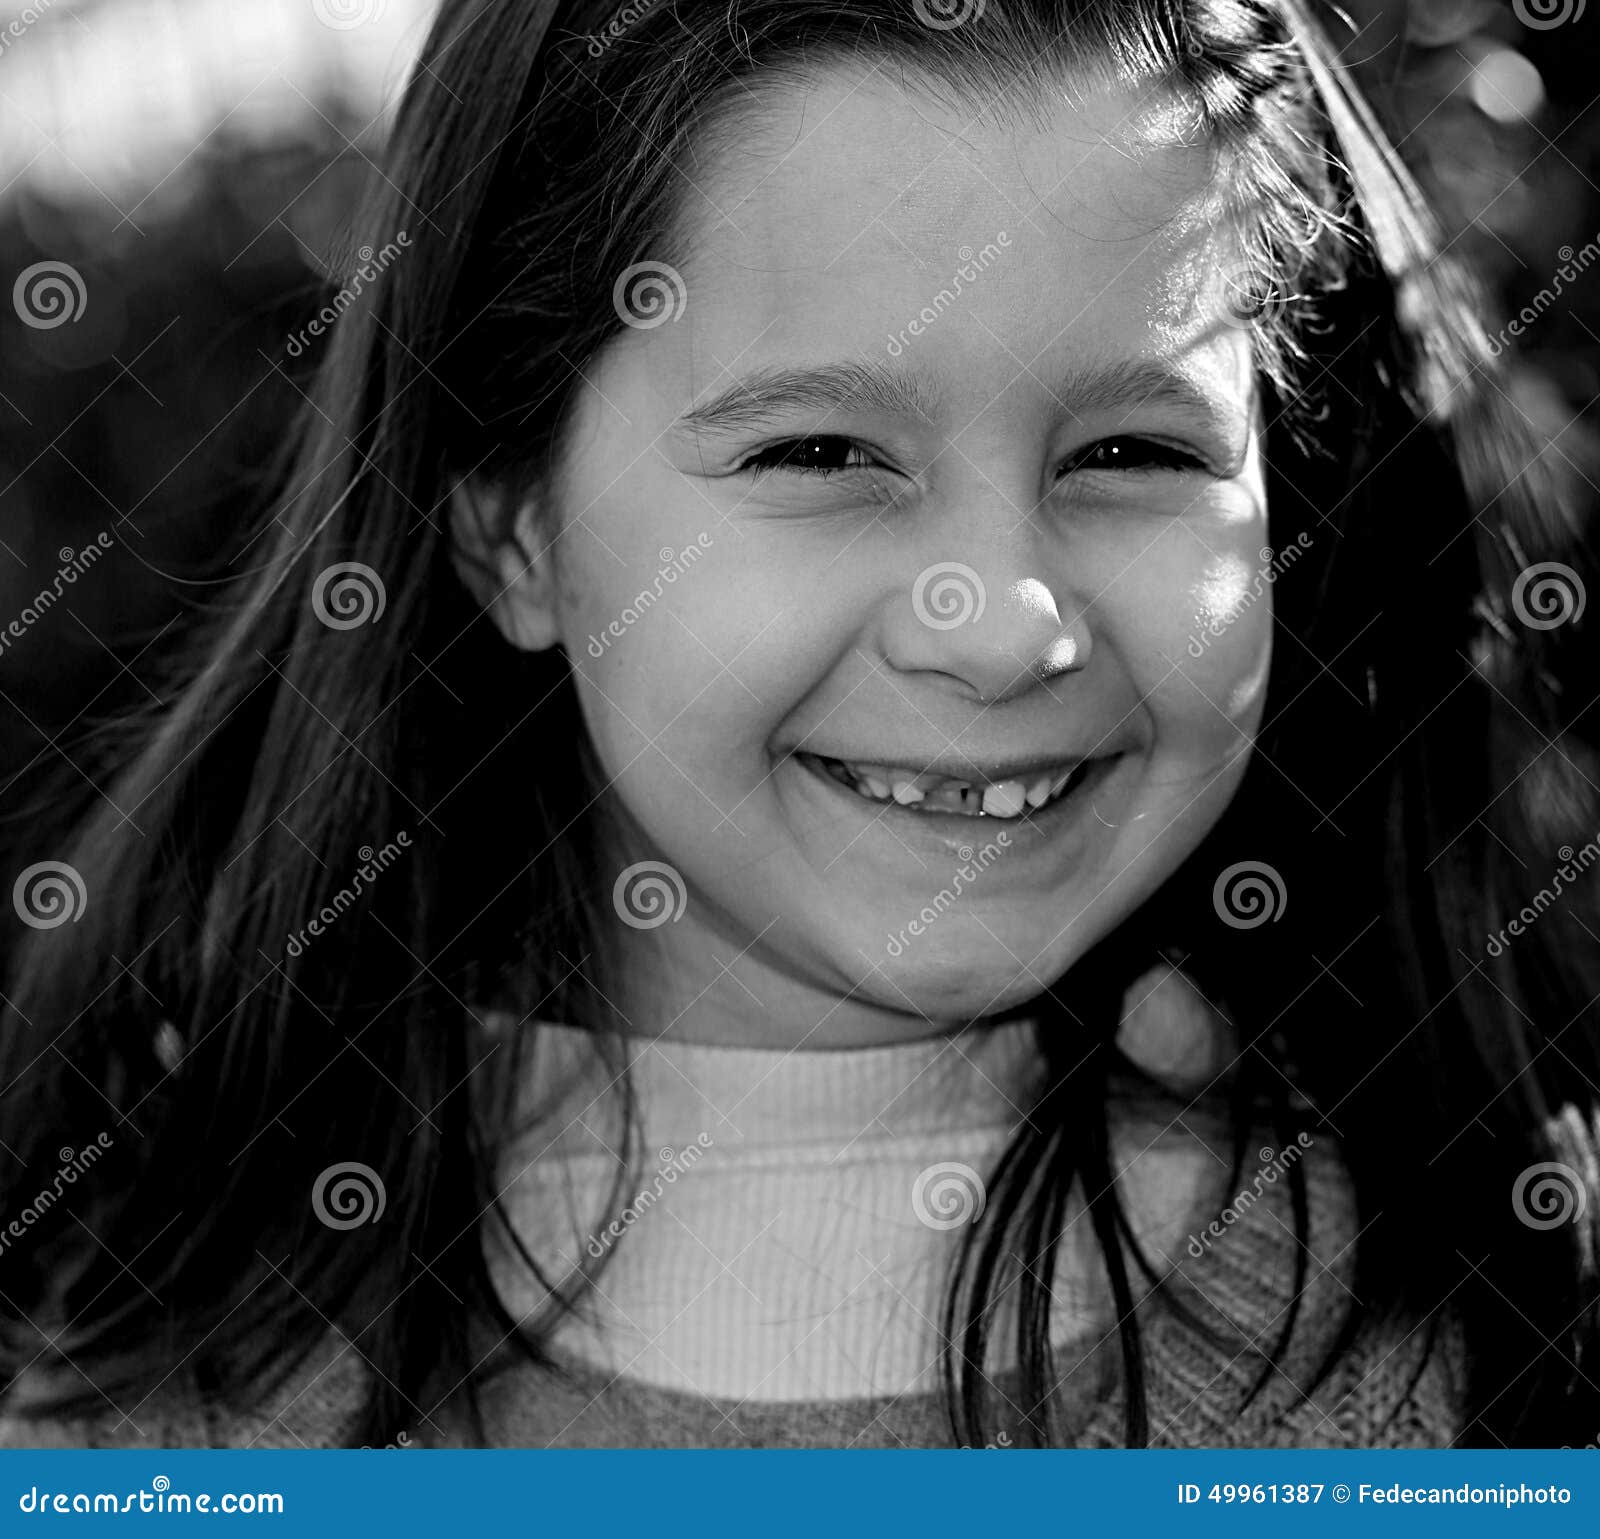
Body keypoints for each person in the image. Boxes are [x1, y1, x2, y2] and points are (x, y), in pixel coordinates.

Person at [1, 0, 1596, 1449]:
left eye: (1132, 451)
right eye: (824, 455)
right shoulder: (170, 1392)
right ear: (510, 529)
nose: (1001, 628)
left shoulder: (1459, 1342)